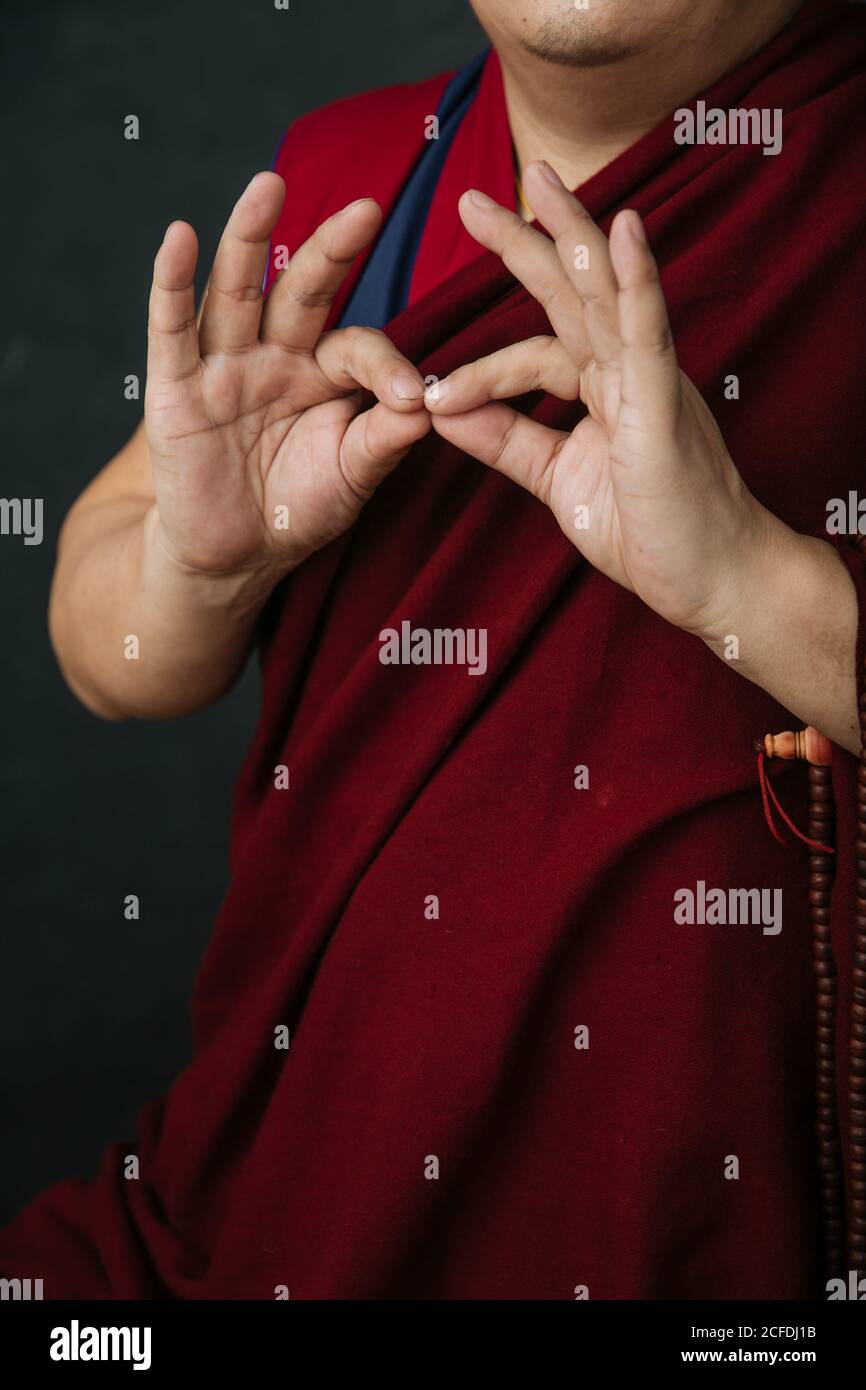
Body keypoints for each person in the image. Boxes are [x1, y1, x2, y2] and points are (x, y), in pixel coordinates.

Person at [3, 0, 866, 1298]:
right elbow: (104, 652)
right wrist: (203, 560)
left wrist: (746, 575)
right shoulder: (362, 177)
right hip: (284, 1205)